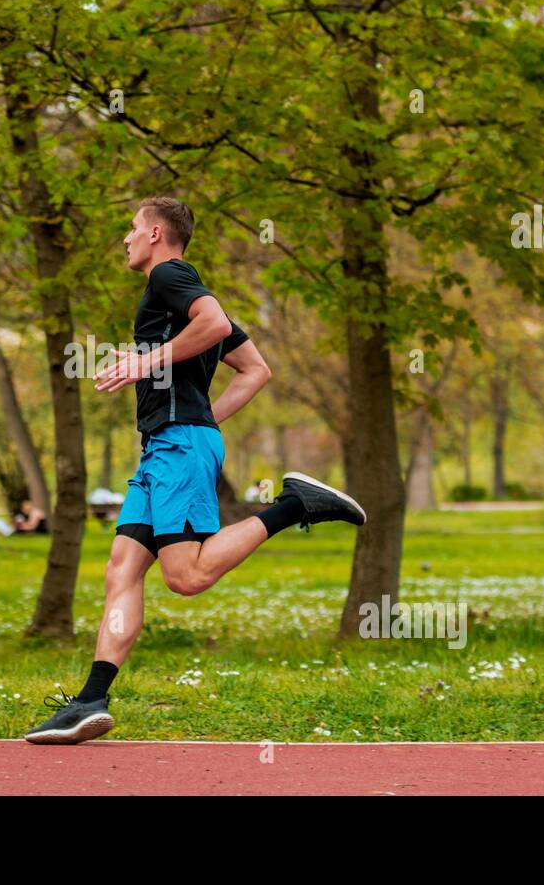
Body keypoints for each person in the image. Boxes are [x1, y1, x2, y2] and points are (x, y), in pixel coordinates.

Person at [24, 196, 366, 744]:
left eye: (133, 228)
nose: (126, 238)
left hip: (178, 444)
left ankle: (295, 505)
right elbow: (255, 369)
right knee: (121, 568)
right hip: (167, 444)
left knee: (186, 576)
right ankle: (90, 700)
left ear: (157, 233)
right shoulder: (177, 295)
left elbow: (210, 323)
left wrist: (148, 363)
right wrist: (205, 417)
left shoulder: (172, 278)